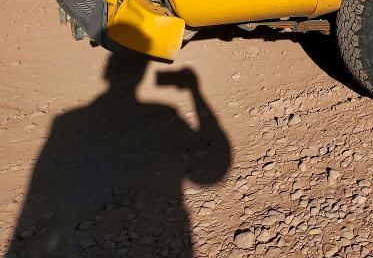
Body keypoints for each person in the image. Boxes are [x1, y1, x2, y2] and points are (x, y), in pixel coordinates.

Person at [6, 52, 230, 258]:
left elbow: (39, 188)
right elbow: (211, 173)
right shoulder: (165, 113)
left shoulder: (66, 122)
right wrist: (194, 91)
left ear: (105, 75)